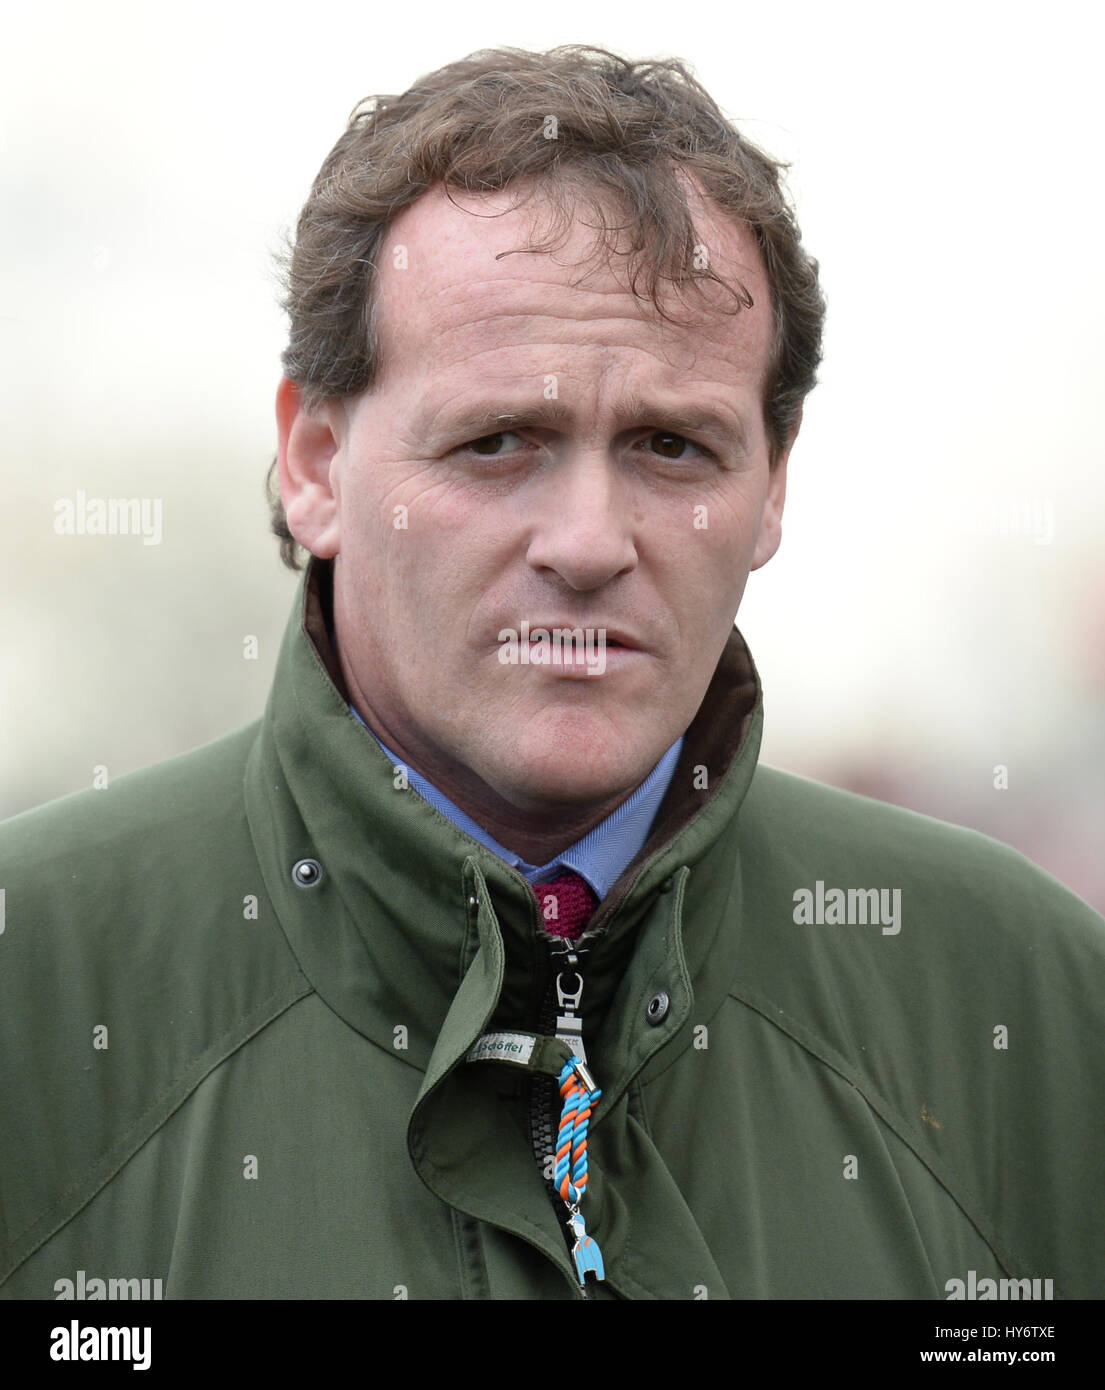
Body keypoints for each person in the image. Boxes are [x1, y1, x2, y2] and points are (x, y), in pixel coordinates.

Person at [2, 43, 1103, 1303]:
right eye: (497, 441)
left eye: (671, 446)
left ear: (772, 487)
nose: (587, 542)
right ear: (313, 462)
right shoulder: (34, 993)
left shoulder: (1026, 1007)